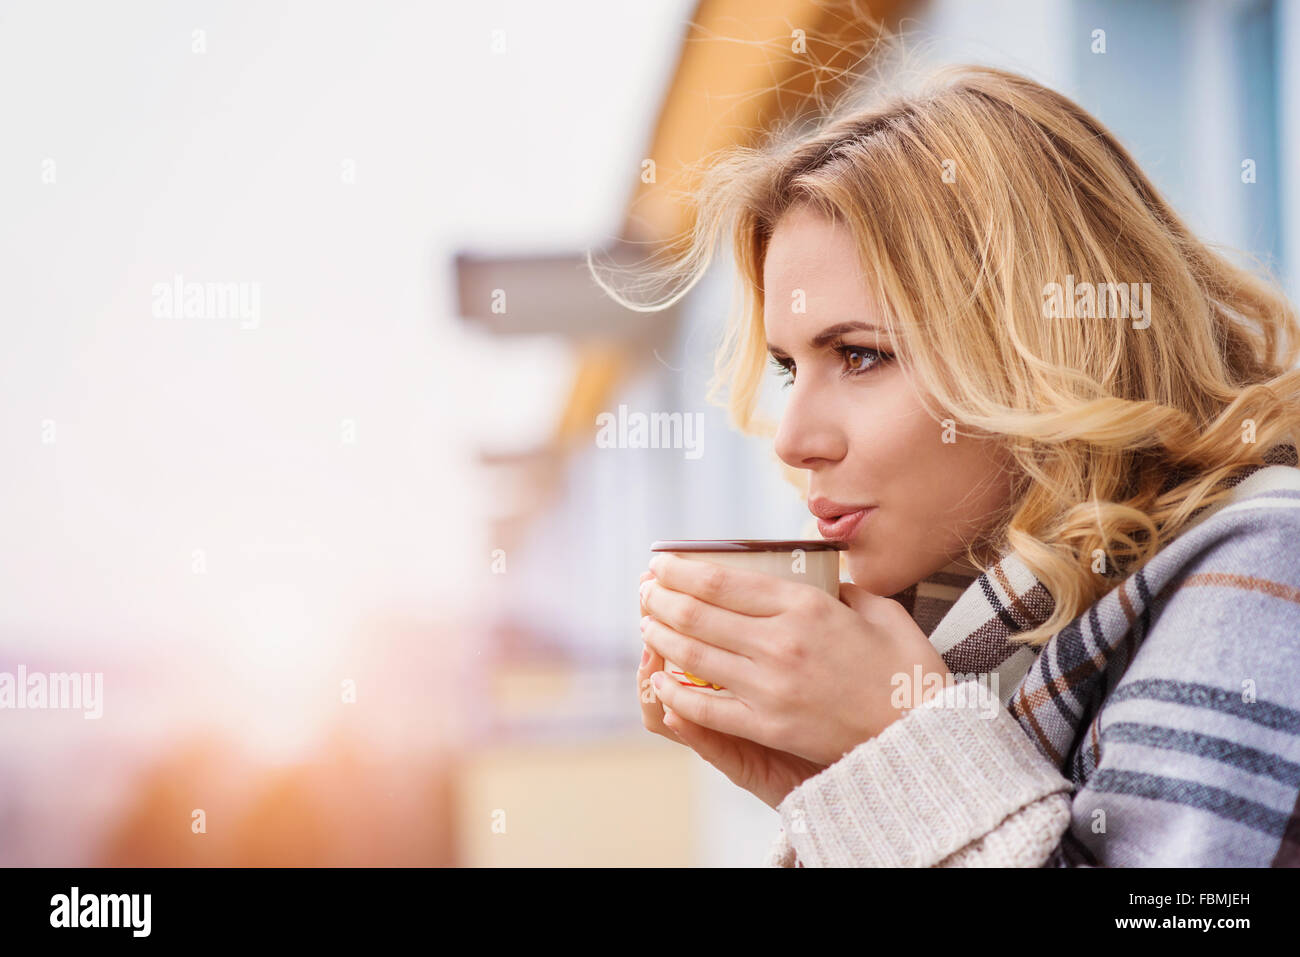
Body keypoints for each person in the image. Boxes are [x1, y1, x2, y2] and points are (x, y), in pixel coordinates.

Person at [613, 63, 1300, 866]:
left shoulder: (1263, 572)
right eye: (790, 369)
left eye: (862, 355)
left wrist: (903, 745)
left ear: (1049, 351)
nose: (793, 438)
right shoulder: (971, 616)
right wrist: (838, 780)